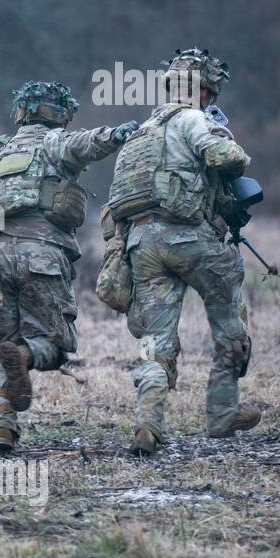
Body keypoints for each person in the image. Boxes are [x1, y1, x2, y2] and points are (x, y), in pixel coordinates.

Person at [0, 81, 137, 455]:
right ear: (59, 114)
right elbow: (87, 143)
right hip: (42, 257)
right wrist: (118, 133)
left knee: (1, 346)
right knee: (55, 342)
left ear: (21, 113)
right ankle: (27, 357)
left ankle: (2, 425)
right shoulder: (53, 142)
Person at [106, 48, 257, 456]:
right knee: (228, 320)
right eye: (211, 93)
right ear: (203, 92)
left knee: (155, 340)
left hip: (143, 243)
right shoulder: (193, 119)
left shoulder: (142, 131)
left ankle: (147, 425)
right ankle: (222, 414)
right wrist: (238, 155)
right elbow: (223, 157)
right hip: (191, 238)